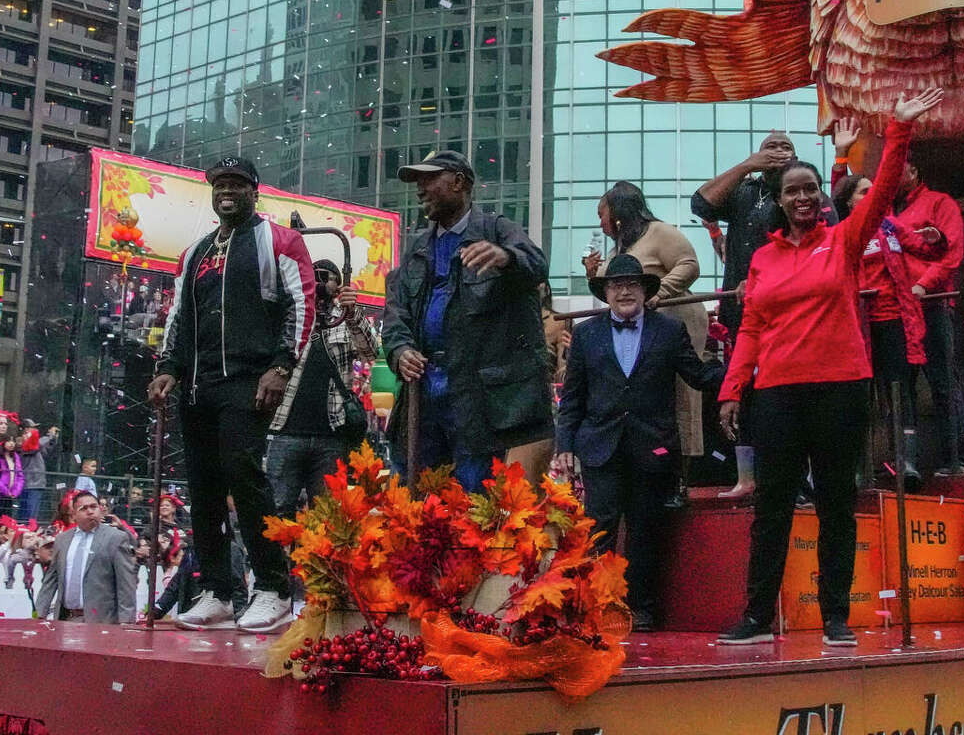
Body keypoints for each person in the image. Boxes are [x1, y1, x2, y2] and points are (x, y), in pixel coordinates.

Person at [717, 88, 946, 647]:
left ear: (822, 197)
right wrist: (731, 388)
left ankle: (836, 615)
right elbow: (750, 329)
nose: (802, 197)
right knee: (772, 506)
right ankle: (754, 616)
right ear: (778, 198)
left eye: (811, 189)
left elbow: (885, 187)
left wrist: (898, 131)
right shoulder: (762, 259)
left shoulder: (844, 241)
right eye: (792, 189)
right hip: (776, 395)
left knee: (837, 505)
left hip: (840, 390)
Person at [146, 154, 316, 634]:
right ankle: (218, 590)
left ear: (254, 191)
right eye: (220, 183)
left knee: (246, 478)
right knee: (202, 488)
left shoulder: (280, 240)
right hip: (198, 386)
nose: (227, 190)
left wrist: (281, 366)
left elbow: (302, 303)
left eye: (237, 183)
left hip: (249, 379)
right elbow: (178, 318)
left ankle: (274, 588)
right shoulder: (195, 252)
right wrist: (167, 369)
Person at [553, 256, 723, 632]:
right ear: (606, 293)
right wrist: (564, 443)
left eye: (632, 283)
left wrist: (741, 372)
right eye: (616, 285)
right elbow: (573, 397)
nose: (625, 290)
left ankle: (643, 609)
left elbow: (697, 375)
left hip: (653, 448)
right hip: (600, 446)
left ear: (646, 290)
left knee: (647, 531)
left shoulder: (668, 329)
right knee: (601, 530)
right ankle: (599, 606)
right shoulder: (585, 334)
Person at [382, 149, 551, 490]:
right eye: (418, 181)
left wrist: (506, 257)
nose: (420, 188)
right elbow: (395, 313)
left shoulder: (497, 229)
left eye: (429, 178)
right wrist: (400, 350)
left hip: (477, 397)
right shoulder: (416, 249)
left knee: (475, 492)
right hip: (425, 392)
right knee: (418, 496)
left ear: (458, 182)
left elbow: (536, 265)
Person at [690, 131, 801, 497]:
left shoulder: (801, 196)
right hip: (741, 310)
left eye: (787, 147)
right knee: (741, 389)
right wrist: (746, 166)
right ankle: (746, 477)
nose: (779, 153)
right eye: (771, 147)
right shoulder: (745, 191)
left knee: (787, 392)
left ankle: (795, 479)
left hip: (790, 310)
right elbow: (701, 204)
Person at [582, 182, 712, 473]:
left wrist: (658, 293)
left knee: (682, 395)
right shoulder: (622, 248)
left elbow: (689, 265)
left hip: (677, 323)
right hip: (640, 332)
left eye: (601, 214)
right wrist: (595, 276)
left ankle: (681, 478)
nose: (600, 223)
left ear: (618, 212)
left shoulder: (659, 232)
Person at [857, 155, 964, 478]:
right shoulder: (884, 215)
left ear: (914, 170)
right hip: (894, 312)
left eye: (894, 169)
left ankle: (957, 459)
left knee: (942, 381)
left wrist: (922, 286)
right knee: (899, 387)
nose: (887, 176)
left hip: (932, 303)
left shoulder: (940, 203)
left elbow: (951, 253)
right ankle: (905, 464)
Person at [266, 259, 381, 515]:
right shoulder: (291, 318)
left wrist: (352, 311)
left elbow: (370, 351)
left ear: (338, 286)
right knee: (275, 513)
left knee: (327, 517)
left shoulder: (344, 321)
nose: (319, 281)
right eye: (314, 276)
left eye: (327, 277)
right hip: (286, 431)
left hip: (331, 435)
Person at [35, 490, 138, 623]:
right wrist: (39, 614)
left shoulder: (116, 538)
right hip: (66, 619)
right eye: (84, 508)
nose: (90, 511)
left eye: (94, 507)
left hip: (101, 621)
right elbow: (51, 579)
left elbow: (126, 583)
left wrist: (126, 621)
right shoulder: (62, 540)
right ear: (73, 514)